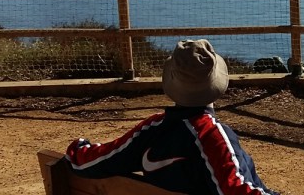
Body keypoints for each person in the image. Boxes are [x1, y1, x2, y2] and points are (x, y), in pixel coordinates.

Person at [64, 39, 280, 194]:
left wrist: (79, 147)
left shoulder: (153, 129)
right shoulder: (211, 135)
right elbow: (235, 190)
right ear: (217, 84)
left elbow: (93, 162)